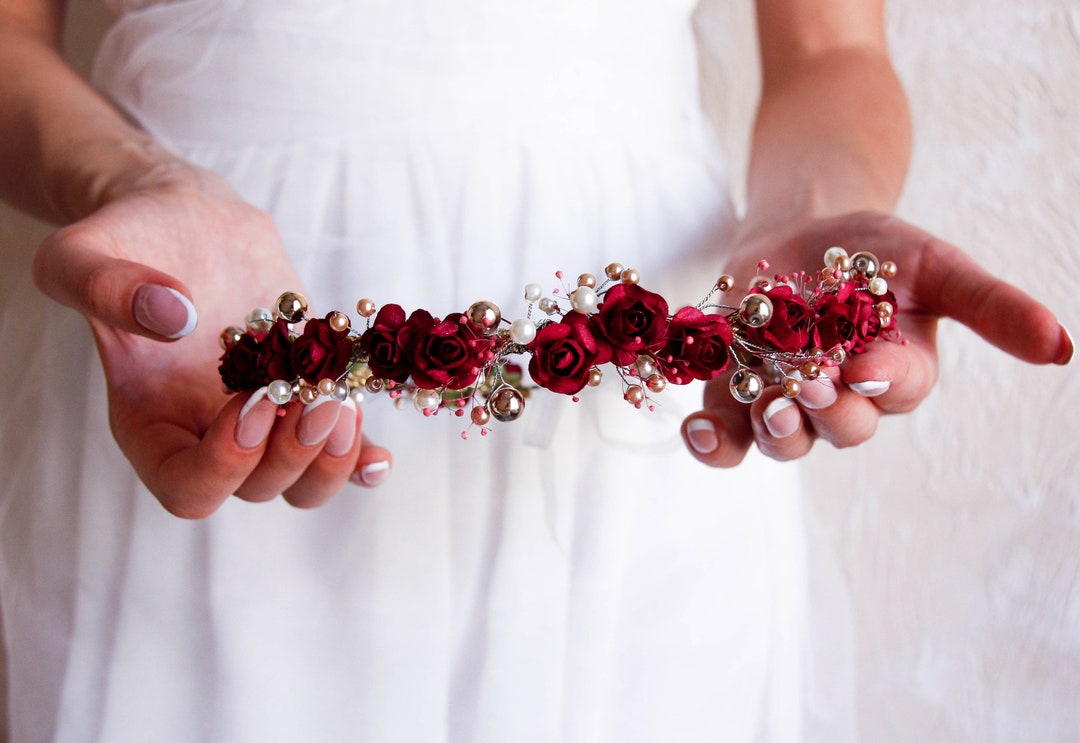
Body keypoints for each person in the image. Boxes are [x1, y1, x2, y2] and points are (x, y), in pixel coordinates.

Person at [0, 0, 1071, 740]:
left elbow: (831, 51)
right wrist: (125, 179)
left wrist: (807, 224)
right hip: (207, 335)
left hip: (646, 394)